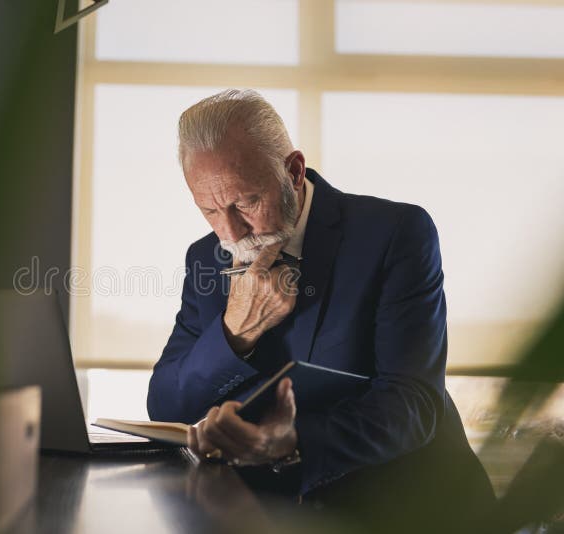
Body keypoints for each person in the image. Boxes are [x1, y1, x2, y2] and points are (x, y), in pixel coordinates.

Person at [146, 89, 494, 517]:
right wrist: (235, 332)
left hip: (414, 511)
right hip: (269, 517)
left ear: (293, 170)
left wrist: (293, 442)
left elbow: (413, 403)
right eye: (210, 211)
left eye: (246, 202)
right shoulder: (205, 258)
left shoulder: (396, 233)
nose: (231, 234)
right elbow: (166, 405)